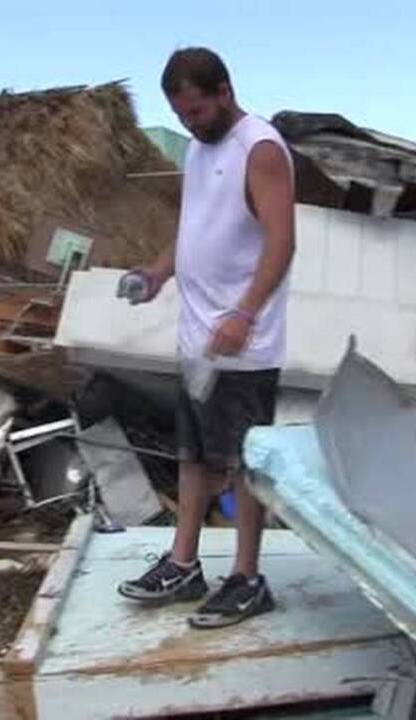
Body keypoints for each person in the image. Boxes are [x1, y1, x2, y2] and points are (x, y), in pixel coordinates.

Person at [118, 47, 295, 629]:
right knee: (192, 456)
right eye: (181, 115)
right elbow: (193, 230)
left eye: (196, 111)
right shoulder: (198, 149)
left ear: (224, 91)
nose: (190, 123)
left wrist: (245, 313)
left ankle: (247, 579)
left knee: (243, 464)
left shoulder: (259, 148)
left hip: (244, 345)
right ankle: (183, 562)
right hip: (197, 338)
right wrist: (156, 273)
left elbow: (281, 242)